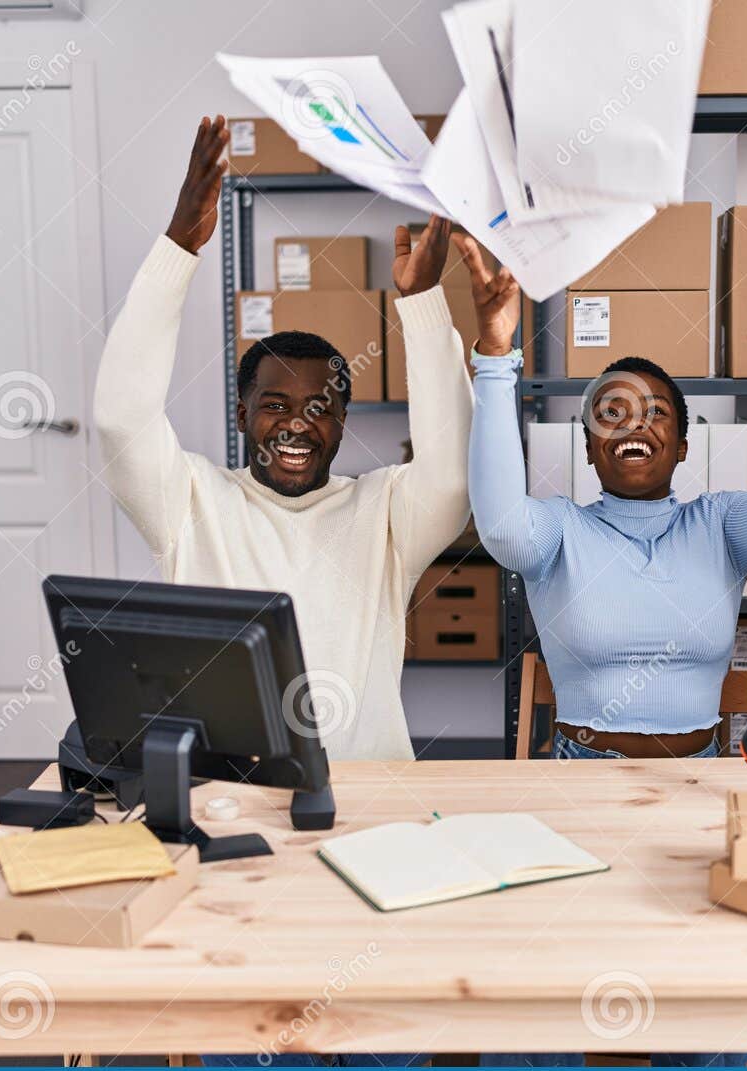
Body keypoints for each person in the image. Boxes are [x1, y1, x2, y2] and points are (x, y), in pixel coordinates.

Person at [463, 239, 747, 1066]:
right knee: (543, 1005)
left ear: (679, 448)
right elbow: (495, 520)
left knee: (710, 1002)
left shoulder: (720, 525)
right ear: (592, 448)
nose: (633, 424)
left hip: (702, 786)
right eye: (610, 412)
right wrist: (496, 355)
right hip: (577, 790)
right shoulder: (555, 530)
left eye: (656, 415)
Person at [95, 116, 473, 766]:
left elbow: (451, 476)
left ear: (342, 420)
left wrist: (424, 306)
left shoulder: (382, 511)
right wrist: (179, 246)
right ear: (242, 416)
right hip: (229, 795)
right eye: (275, 405)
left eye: (319, 406)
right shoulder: (190, 500)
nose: (297, 422)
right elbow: (120, 419)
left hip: (369, 797)